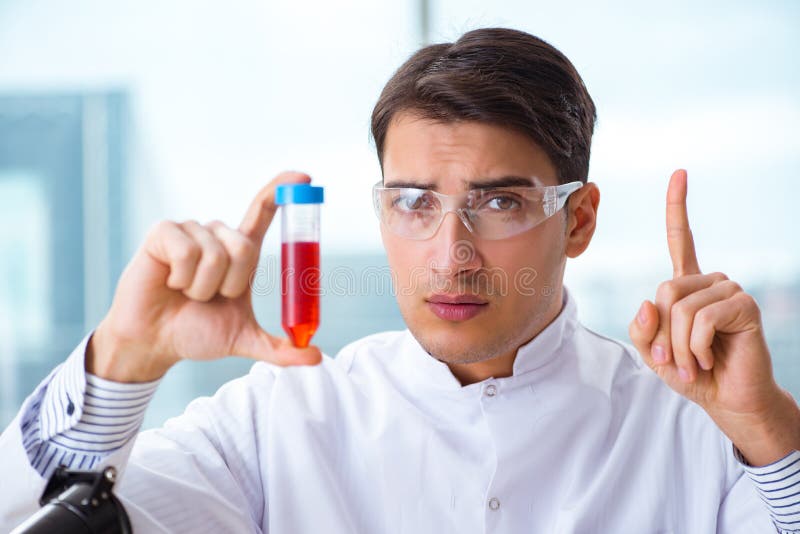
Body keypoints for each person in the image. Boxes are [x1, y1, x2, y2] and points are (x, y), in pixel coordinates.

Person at [1, 27, 798, 533]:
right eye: (415, 203)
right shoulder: (281, 422)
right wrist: (123, 361)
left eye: (499, 203)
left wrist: (770, 430)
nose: (451, 255)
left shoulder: (697, 433)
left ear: (580, 220)